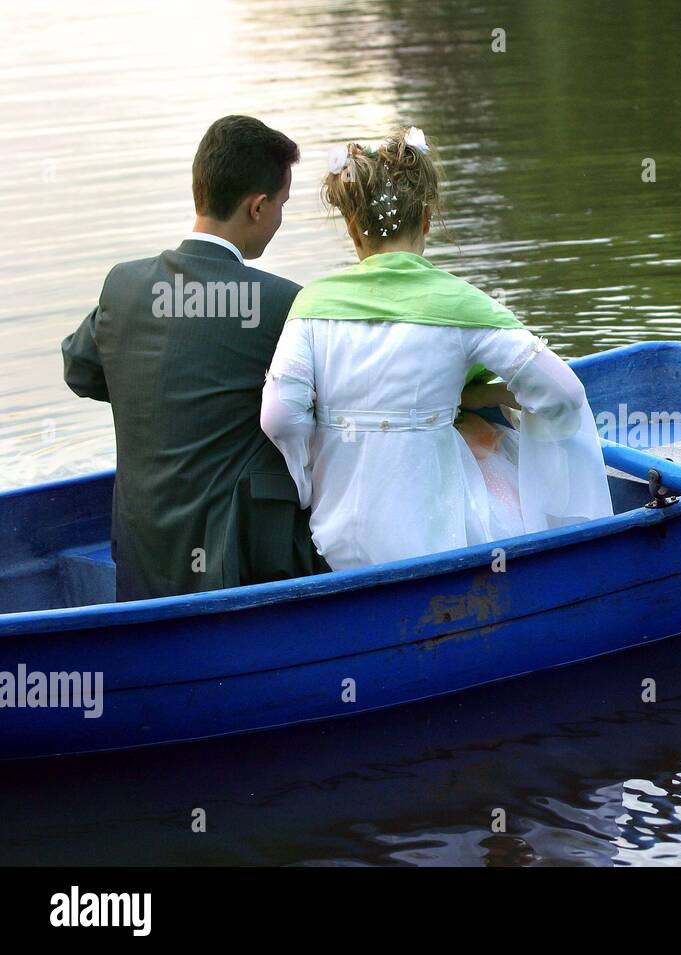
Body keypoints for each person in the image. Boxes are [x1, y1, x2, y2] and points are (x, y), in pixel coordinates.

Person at [259, 126, 613, 571]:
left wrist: (308, 483)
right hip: (436, 537)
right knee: (503, 453)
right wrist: (505, 402)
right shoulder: (461, 303)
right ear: (427, 220)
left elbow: (280, 414)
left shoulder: (311, 305)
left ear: (352, 227)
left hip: (337, 537)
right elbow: (564, 393)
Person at [61, 115, 327, 600]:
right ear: (258, 206)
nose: (279, 218)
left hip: (140, 559)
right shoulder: (280, 303)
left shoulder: (124, 285)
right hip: (243, 568)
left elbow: (80, 371)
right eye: (282, 205)